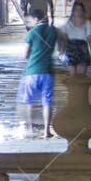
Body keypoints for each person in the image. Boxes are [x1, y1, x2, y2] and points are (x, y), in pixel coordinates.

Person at [18, 10, 58, 138]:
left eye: (29, 20)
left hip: (32, 71)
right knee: (47, 102)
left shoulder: (31, 33)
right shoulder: (53, 31)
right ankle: (46, 131)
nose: (27, 23)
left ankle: (29, 129)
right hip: (48, 71)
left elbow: (25, 54)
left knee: (28, 101)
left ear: (36, 19)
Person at [58, 0, 91, 74]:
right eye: (76, 10)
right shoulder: (68, 23)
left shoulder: (87, 23)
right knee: (72, 76)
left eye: (80, 10)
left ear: (83, 11)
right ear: (73, 11)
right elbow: (62, 35)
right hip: (70, 49)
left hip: (82, 48)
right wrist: (62, 48)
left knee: (81, 77)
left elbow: (89, 37)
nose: (78, 12)